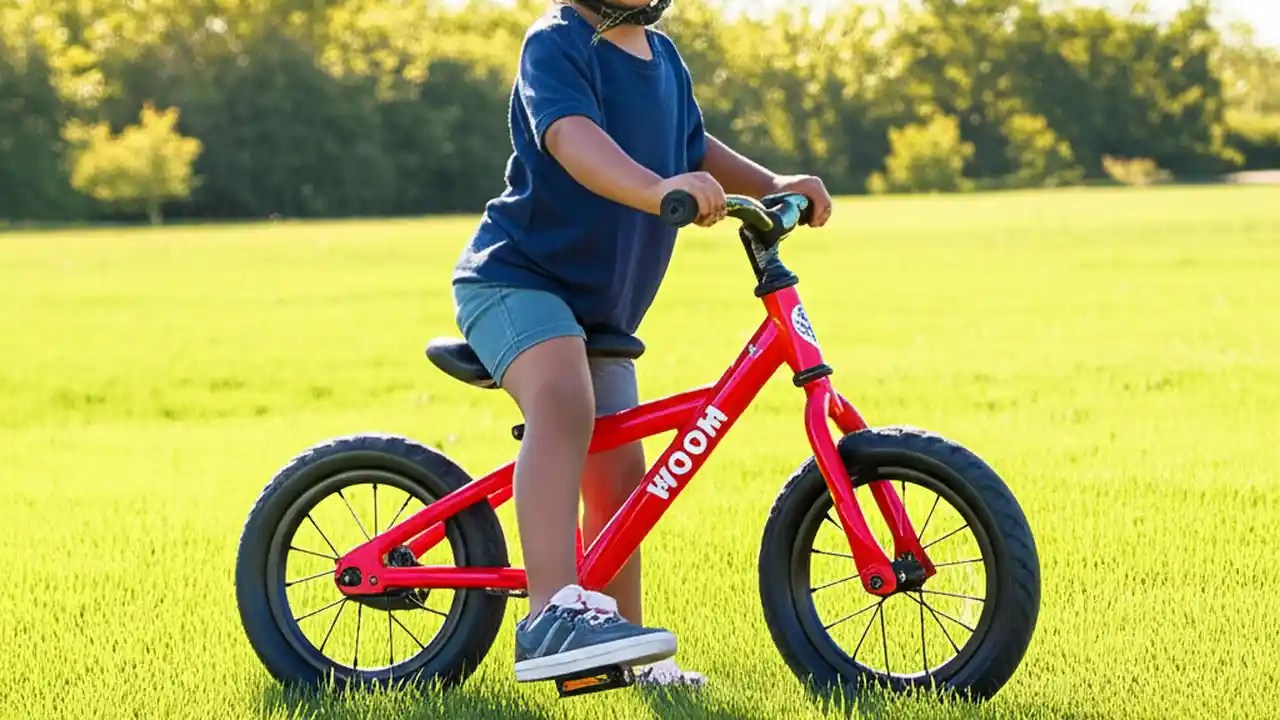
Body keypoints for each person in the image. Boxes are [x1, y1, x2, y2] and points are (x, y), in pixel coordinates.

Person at [450, 0, 832, 687]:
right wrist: (659, 191)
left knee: (622, 482)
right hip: (518, 281)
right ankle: (549, 617)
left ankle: (626, 649)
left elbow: (693, 145)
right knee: (564, 403)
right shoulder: (557, 44)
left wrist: (773, 185)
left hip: (602, 315)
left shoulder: (664, 59)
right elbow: (572, 138)